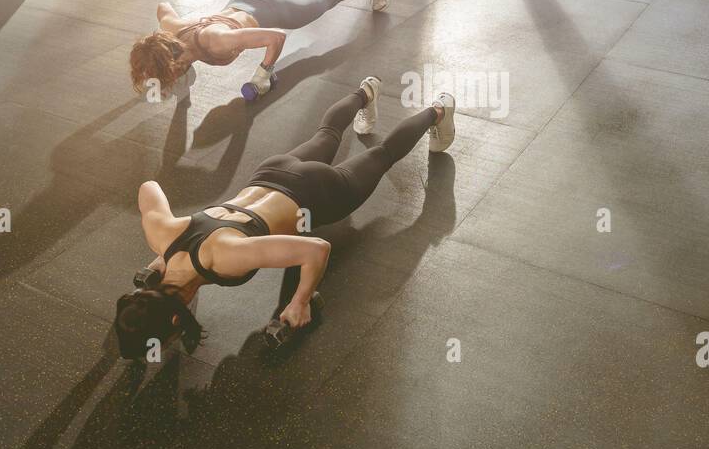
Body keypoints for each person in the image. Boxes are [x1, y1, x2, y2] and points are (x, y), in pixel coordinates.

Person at [114, 77, 456, 358]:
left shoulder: (227, 257)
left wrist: (299, 302)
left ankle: (439, 110)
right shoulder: (164, 234)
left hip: (318, 193)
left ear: (177, 317)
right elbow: (148, 188)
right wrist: (162, 252)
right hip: (271, 173)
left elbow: (316, 250)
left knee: (383, 155)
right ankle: (365, 92)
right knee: (327, 134)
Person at [128, 0, 391, 95]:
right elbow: (163, 6)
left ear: (174, 61)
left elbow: (275, 37)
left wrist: (263, 72)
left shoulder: (216, 41)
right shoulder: (172, 29)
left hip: (276, 12)